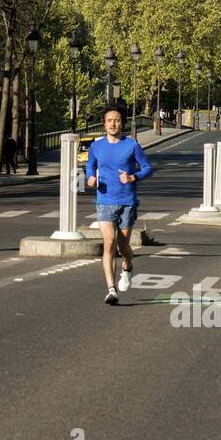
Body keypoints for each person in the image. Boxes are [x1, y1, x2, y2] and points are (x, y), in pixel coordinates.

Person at [85, 106, 154, 305]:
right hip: (105, 200)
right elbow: (91, 165)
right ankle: (111, 289)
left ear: (122, 123)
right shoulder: (96, 147)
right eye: (109, 120)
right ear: (104, 123)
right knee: (109, 243)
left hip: (127, 201)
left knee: (124, 246)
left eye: (116, 120)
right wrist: (90, 177)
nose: (113, 124)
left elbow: (148, 168)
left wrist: (134, 176)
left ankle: (128, 265)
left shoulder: (131, 146)